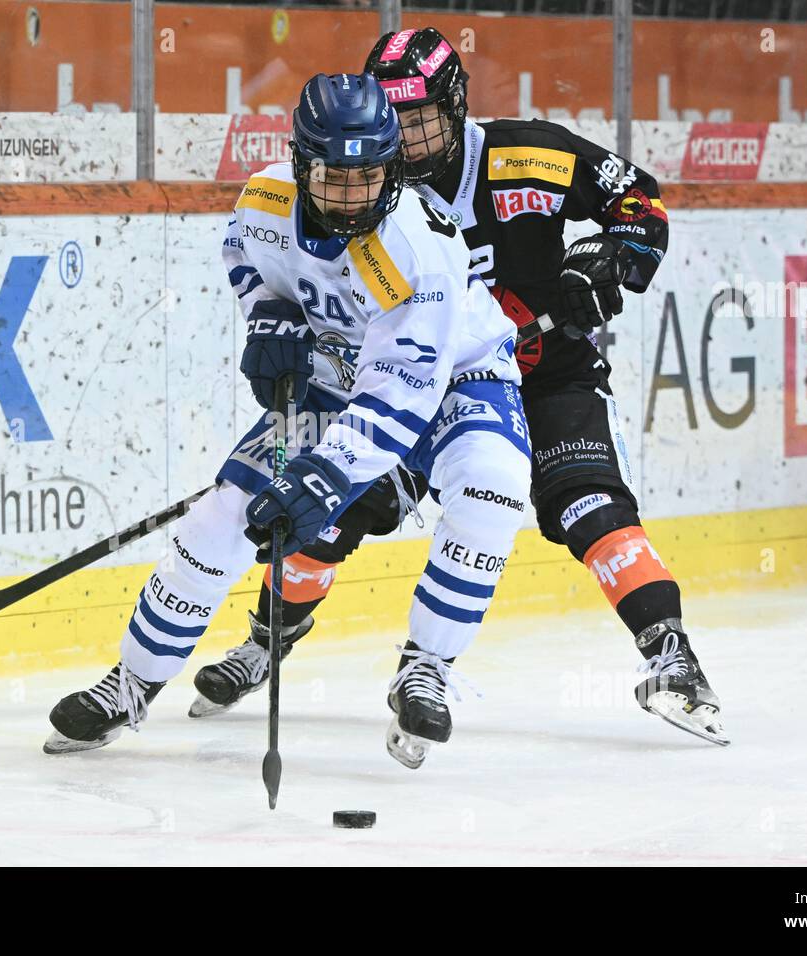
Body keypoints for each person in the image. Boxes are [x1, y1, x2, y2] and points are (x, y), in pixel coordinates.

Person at [193, 28, 727, 746]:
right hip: (419, 384)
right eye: (394, 119)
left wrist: (605, 262)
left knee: (589, 505)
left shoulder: (528, 155)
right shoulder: (365, 184)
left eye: (422, 120)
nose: (408, 140)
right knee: (333, 505)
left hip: (546, 372)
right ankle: (265, 640)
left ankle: (672, 658)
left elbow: (641, 203)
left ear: (456, 105)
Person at [44, 72, 533, 769]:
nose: (348, 194)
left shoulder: (417, 251)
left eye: (367, 177)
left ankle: (426, 666)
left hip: (459, 379)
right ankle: (132, 681)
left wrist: (325, 475)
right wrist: (269, 318)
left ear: (393, 169)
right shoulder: (267, 198)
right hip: (340, 381)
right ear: (301, 164)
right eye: (331, 177)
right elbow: (244, 254)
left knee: (491, 488)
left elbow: (403, 395)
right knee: (220, 519)